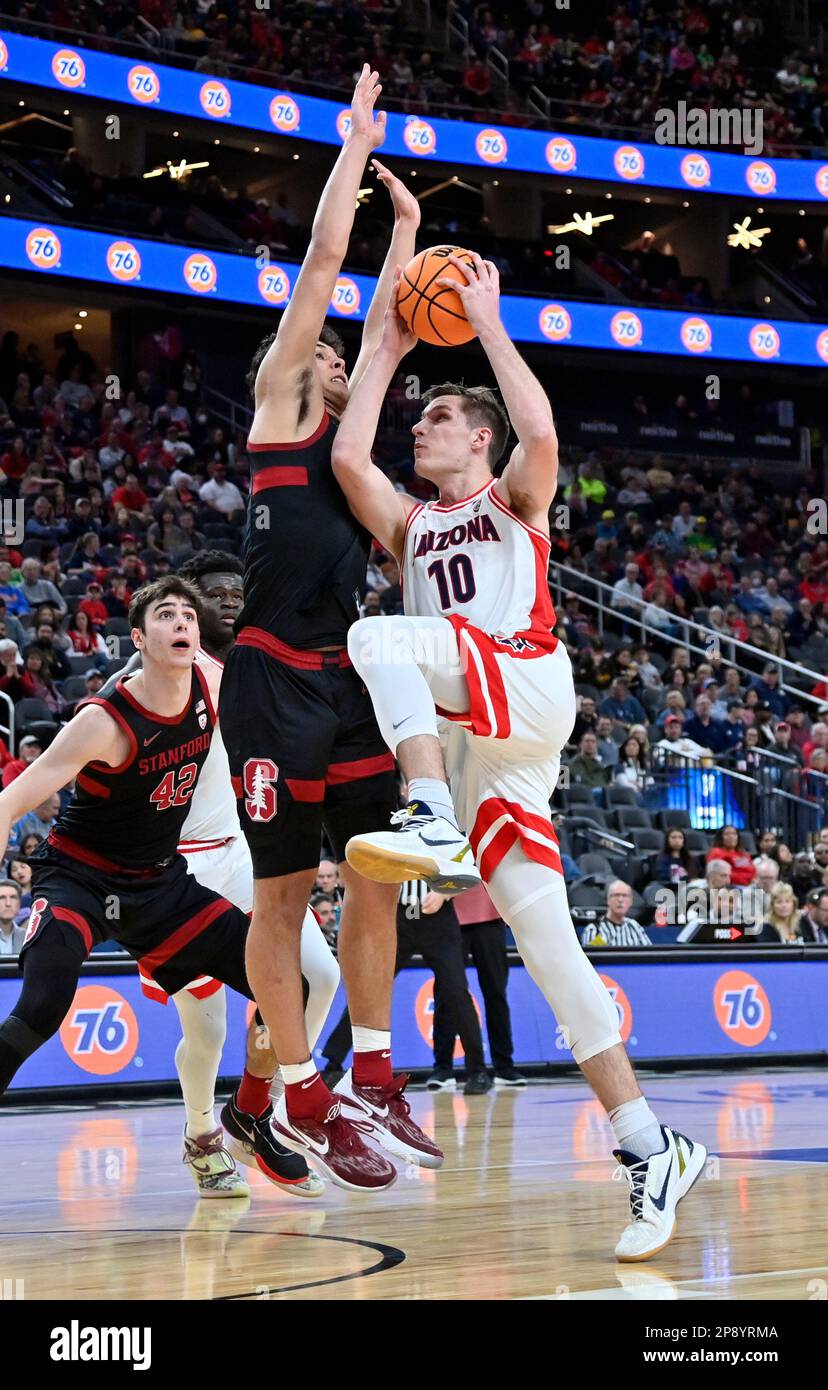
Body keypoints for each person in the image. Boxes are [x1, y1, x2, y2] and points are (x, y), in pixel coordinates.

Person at [330, 250, 706, 1261]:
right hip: (487, 753)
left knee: (377, 637)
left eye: (440, 418)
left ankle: (426, 814)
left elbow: (542, 430)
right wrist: (386, 344)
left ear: (479, 438)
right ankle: (650, 1144)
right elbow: (347, 463)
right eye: (422, 417)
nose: (422, 426)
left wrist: (489, 322)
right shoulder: (411, 528)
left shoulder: (510, 500)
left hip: (527, 682)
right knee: (550, 947)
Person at [219, 67, 440, 1188]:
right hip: (264, 671)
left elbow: (387, 322)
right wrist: (355, 153)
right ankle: (299, 1095)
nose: (343, 357)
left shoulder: (356, 460)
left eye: (349, 357)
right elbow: (321, 273)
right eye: (330, 354)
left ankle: (376, 1071)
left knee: (377, 871)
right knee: (282, 891)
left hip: (339, 666)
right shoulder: (281, 399)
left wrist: (408, 227)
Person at [0, 577, 321, 1197]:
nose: (181, 623)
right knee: (42, 1004)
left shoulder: (214, 686)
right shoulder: (105, 718)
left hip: (159, 883)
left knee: (290, 987)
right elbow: (14, 798)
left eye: (187, 616)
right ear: (138, 638)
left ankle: (248, 1116)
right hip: (81, 877)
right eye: (164, 615)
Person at [97, 551, 340, 1198]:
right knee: (207, 1030)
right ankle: (203, 1134)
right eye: (213, 593)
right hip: (173, 869)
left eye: (240, 590)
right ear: (181, 613)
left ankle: (255, 1109)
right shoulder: (151, 675)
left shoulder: (263, 670)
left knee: (320, 977)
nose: (230, 600)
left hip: (242, 854)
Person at [451, 881, 527, 1087]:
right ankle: (442, 1068)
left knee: (496, 993)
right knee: (448, 993)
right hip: (448, 913)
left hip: (491, 915)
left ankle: (504, 1065)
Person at [580, 882, 652, 947]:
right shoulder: (594, 930)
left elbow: (649, 956)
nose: (620, 900)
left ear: (631, 902)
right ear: (608, 900)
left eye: (625, 896)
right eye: (616, 895)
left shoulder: (634, 926)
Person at [0, 880, 25, 955]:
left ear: (19, 904)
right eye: (2, 898)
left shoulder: (27, 937)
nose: (8, 903)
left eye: (13, 897)